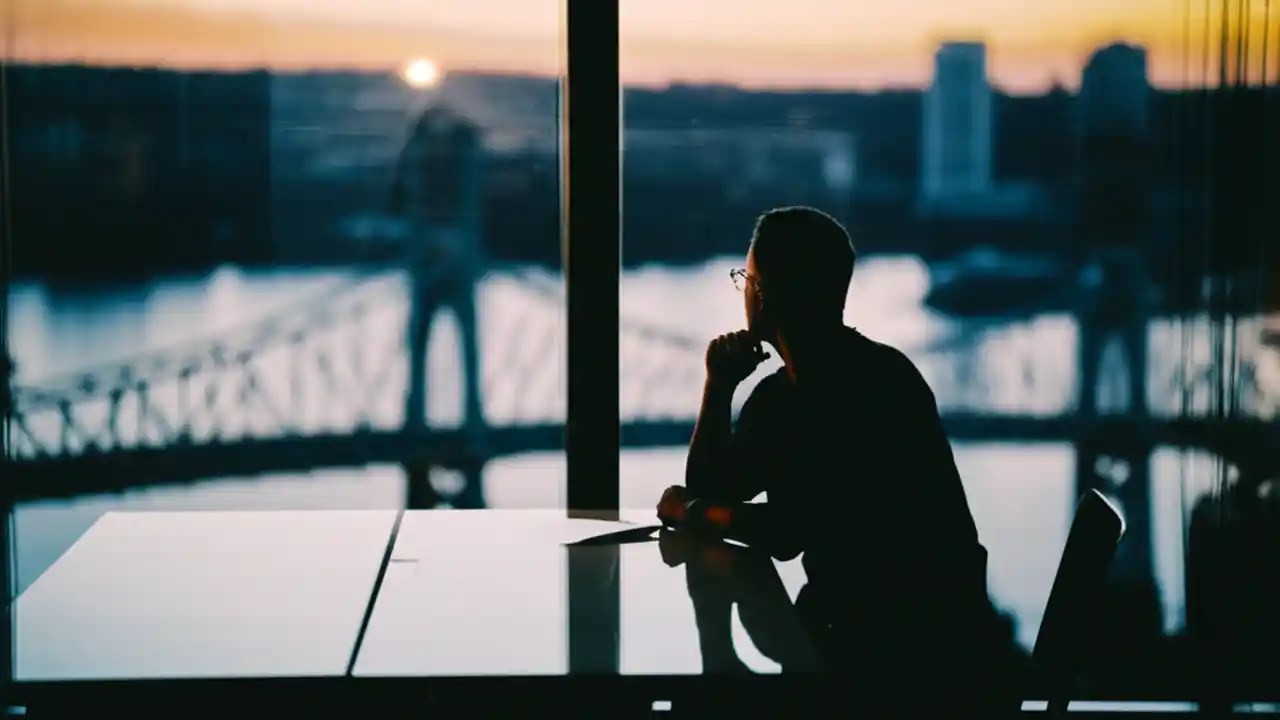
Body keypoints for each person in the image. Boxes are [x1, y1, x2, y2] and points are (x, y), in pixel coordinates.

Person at [655, 206, 1014, 709]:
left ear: (767, 294)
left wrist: (693, 512)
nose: (743, 292)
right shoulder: (854, 380)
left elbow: (781, 532)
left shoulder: (855, 392)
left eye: (747, 278)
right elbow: (718, 489)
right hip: (915, 644)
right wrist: (719, 386)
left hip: (910, 665)